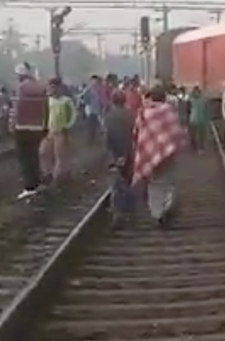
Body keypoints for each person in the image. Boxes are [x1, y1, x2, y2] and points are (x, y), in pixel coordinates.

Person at [132, 86, 187, 227]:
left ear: (152, 98)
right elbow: (176, 130)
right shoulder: (169, 111)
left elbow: (137, 132)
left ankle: (157, 213)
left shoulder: (144, 113)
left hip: (151, 154)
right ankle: (167, 206)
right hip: (168, 153)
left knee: (154, 184)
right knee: (169, 182)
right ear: (164, 98)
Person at [12, 63, 49, 200]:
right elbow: (46, 107)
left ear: (21, 75)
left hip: (22, 128)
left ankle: (29, 187)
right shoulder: (40, 87)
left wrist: (12, 126)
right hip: (38, 127)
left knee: (24, 158)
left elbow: (16, 109)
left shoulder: (21, 88)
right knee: (34, 156)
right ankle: (37, 182)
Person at [105, 90, 136, 227]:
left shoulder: (108, 116)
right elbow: (134, 134)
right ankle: (129, 211)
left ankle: (117, 212)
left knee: (116, 184)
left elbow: (106, 137)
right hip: (129, 152)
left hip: (115, 153)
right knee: (129, 181)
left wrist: (112, 156)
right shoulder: (131, 115)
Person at [40, 77, 76, 184]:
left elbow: (73, 116)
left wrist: (67, 127)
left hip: (61, 131)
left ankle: (58, 177)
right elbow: (46, 115)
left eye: (54, 87)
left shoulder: (66, 101)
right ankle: (49, 172)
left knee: (60, 155)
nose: (51, 89)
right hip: (50, 131)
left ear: (59, 87)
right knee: (43, 152)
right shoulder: (48, 101)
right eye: (50, 87)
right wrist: (44, 127)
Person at [80, 75, 103, 144]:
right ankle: (90, 141)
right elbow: (84, 99)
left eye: (96, 81)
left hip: (98, 110)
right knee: (91, 127)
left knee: (97, 126)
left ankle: (95, 140)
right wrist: (87, 108)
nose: (95, 82)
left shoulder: (99, 89)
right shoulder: (88, 90)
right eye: (94, 81)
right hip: (91, 110)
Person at [187, 86, 210, 151]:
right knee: (193, 135)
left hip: (201, 119)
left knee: (201, 135)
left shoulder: (203, 100)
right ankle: (195, 146)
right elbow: (188, 110)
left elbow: (206, 109)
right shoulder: (190, 100)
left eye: (197, 92)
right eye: (195, 92)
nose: (196, 93)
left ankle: (200, 147)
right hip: (193, 119)